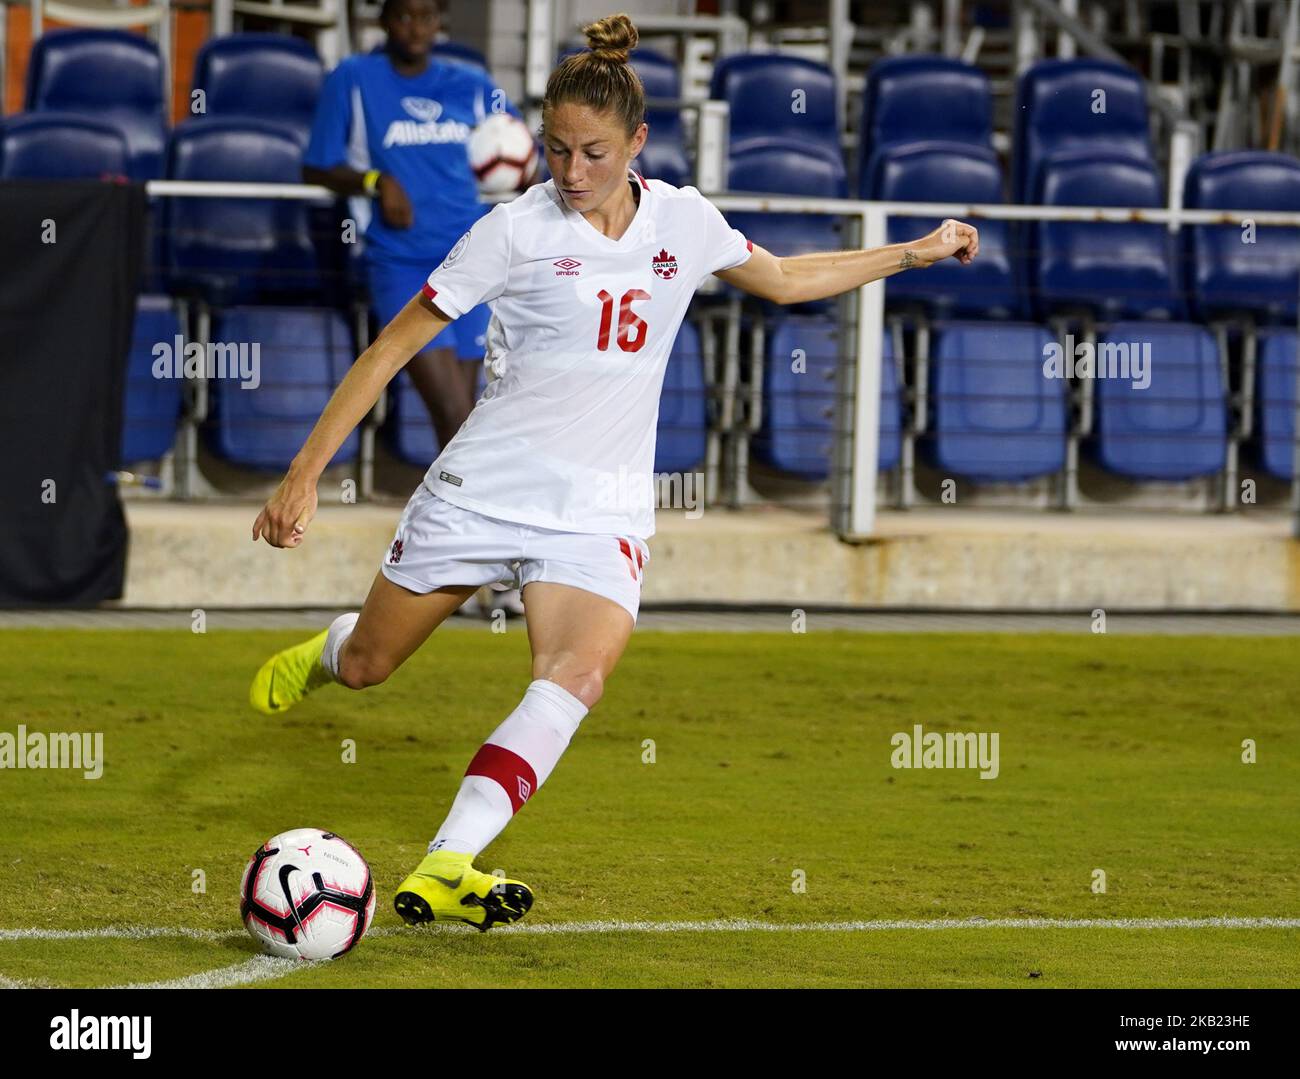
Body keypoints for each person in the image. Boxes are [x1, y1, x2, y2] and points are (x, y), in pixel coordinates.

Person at [250, 12, 979, 932]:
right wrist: (304, 473)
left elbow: (790, 277)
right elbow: (391, 349)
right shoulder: (510, 232)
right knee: (370, 666)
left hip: (599, 511)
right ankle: (330, 648)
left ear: (636, 141)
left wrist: (914, 251)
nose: (571, 172)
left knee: (575, 677)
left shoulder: (683, 220)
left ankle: (449, 857)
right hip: (483, 490)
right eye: (554, 151)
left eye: (591, 152)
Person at [302, 0, 527, 616]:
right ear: (386, 21)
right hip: (399, 265)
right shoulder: (353, 78)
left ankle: (453, 564)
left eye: (427, 16)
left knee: (471, 415)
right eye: (404, 15)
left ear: (441, 22)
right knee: (456, 415)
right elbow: (316, 164)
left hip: (471, 262)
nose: (415, 28)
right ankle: (488, 569)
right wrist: (375, 182)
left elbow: (519, 151)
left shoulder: (474, 85)